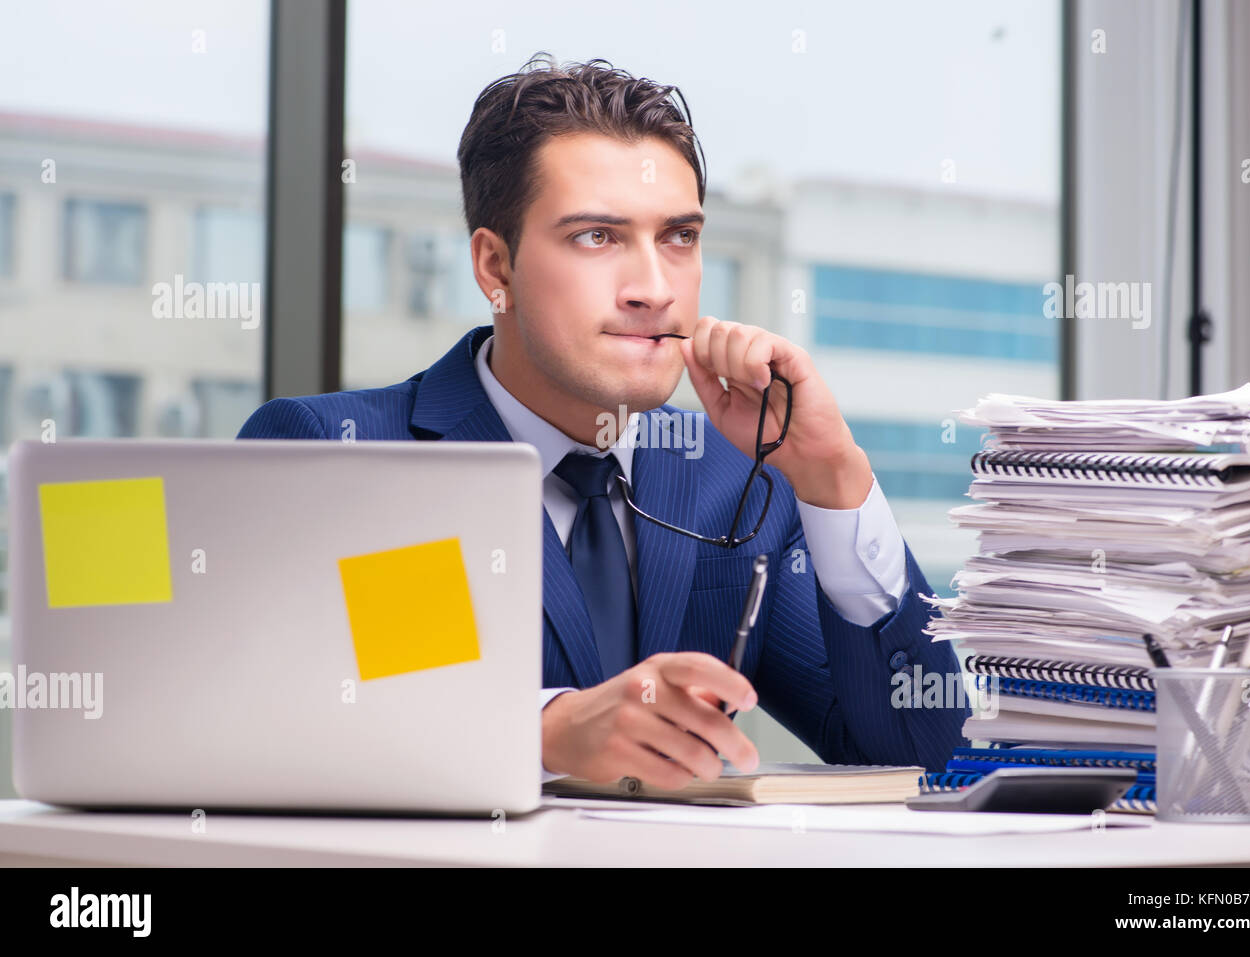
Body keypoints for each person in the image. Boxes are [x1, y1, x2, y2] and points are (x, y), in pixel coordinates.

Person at [238, 52, 969, 788]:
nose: (654, 289)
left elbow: (924, 758)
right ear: (496, 269)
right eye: (598, 237)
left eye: (678, 237)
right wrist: (544, 729)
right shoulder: (348, 457)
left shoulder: (740, 484)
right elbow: (291, 720)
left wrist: (831, 477)